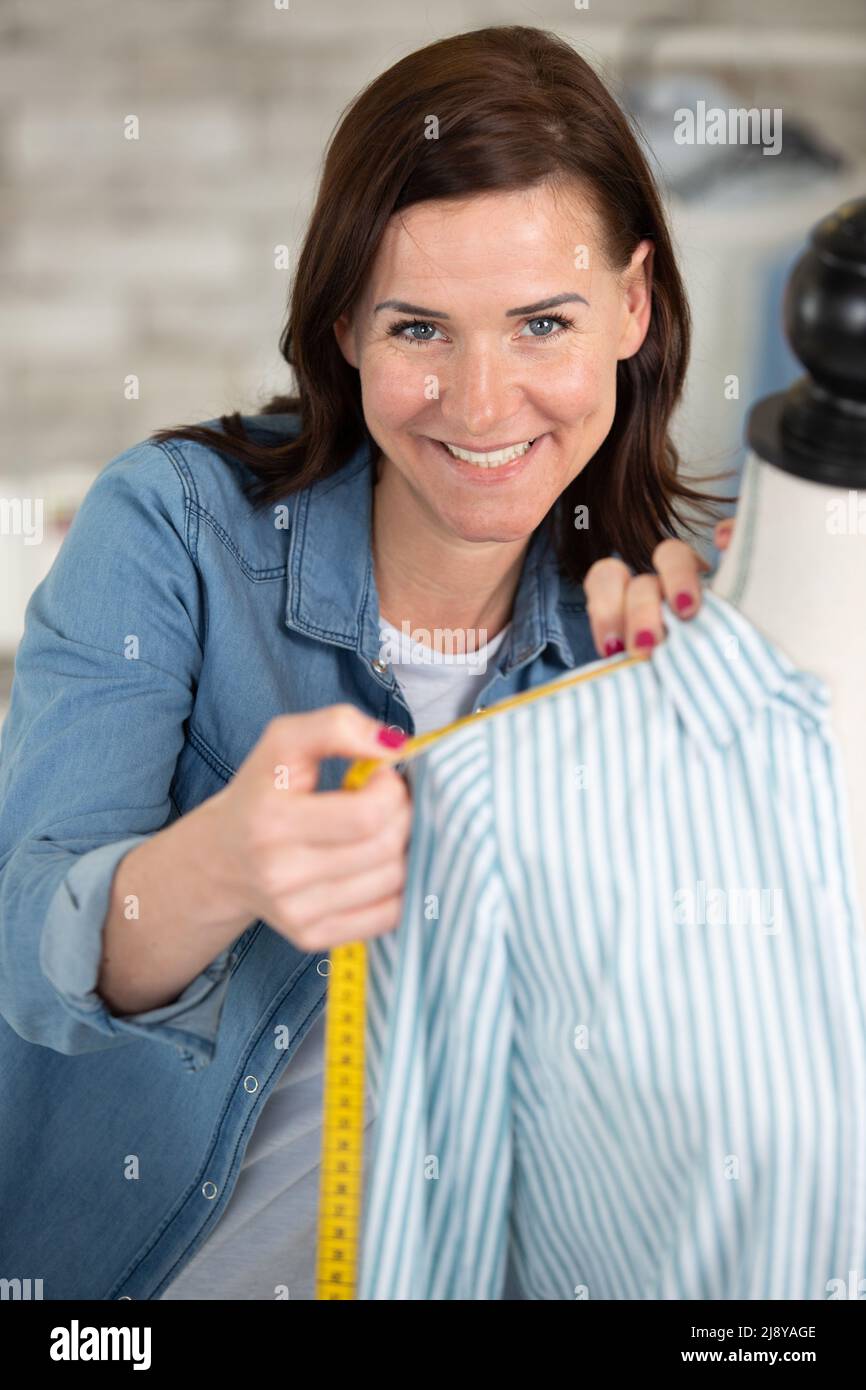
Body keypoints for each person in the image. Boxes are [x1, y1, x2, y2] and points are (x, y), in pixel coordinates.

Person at [0, 24, 733, 1300]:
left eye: (541, 323)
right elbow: (29, 946)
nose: (483, 401)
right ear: (341, 326)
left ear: (631, 304)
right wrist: (221, 861)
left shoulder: (669, 621)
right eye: (418, 330)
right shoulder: (171, 528)